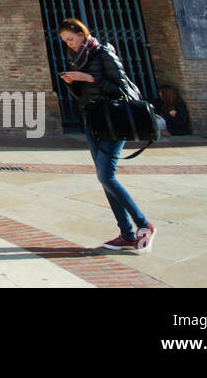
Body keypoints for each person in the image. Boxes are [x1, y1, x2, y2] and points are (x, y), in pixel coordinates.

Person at [57, 17, 157, 253]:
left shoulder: (103, 52)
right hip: (93, 121)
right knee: (105, 180)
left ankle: (144, 225)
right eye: (65, 41)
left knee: (106, 177)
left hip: (114, 120)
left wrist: (89, 78)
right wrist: (74, 82)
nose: (69, 44)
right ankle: (126, 234)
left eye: (71, 38)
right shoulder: (77, 58)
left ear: (81, 33)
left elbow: (120, 88)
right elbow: (85, 93)